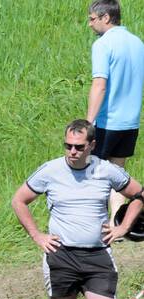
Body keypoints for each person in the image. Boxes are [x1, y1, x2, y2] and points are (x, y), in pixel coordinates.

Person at [11, 120, 144, 299]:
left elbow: (139, 195)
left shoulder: (106, 170)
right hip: (62, 255)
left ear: (92, 146)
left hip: (97, 255)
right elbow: (19, 200)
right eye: (68, 146)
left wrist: (123, 228)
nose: (72, 151)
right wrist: (38, 236)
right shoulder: (50, 170)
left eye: (78, 147)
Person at [87, 0, 144, 221]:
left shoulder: (102, 45)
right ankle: (115, 223)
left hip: (107, 122)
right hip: (130, 121)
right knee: (118, 173)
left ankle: (93, 221)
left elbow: (99, 84)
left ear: (106, 18)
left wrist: (89, 121)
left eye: (92, 19)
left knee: (91, 173)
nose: (90, 25)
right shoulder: (138, 43)